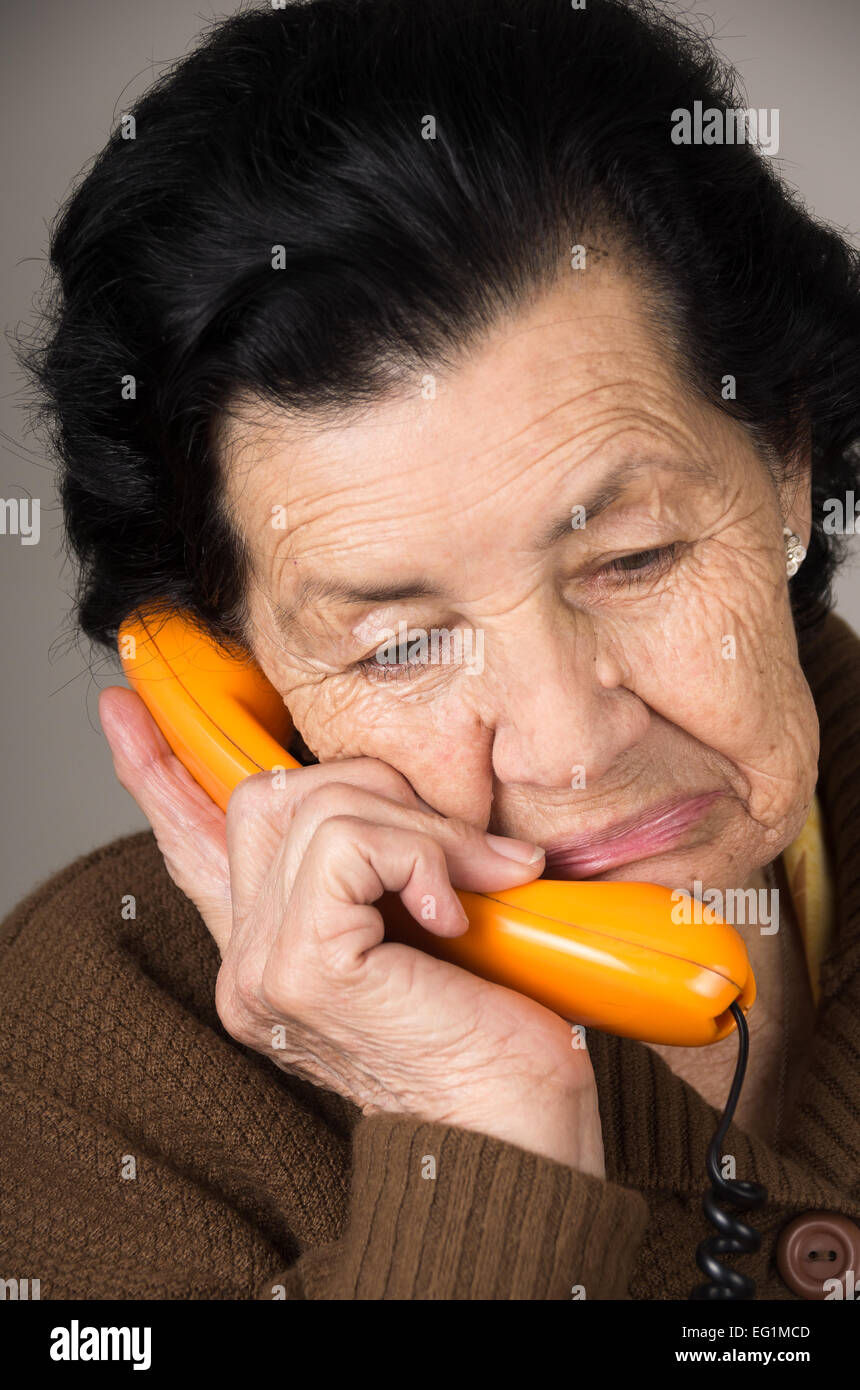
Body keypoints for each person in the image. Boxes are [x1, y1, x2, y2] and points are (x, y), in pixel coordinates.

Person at [4, 0, 859, 1300]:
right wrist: (474, 1141)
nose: (573, 742)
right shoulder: (77, 1055)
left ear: (786, 467)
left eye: (633, 559)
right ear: (226, 672)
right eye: (402, 644)